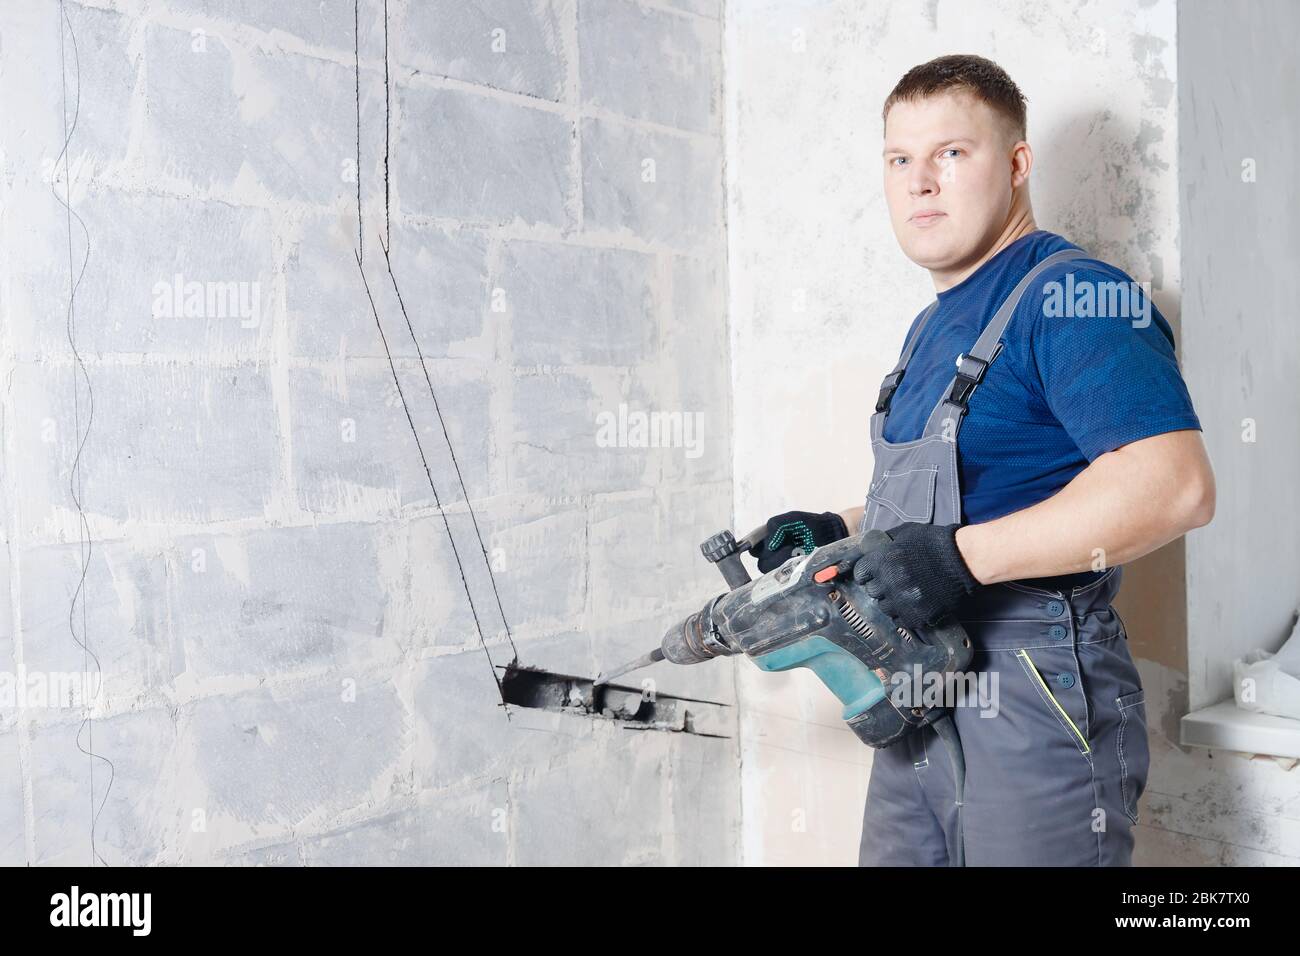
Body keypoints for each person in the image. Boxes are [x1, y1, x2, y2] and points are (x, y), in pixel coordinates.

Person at [753, 54, 1215, 866]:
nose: (919, 182)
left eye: (951, 154)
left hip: (1033, 693)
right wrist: (837, 530)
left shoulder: (1072, 297)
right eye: (900, 159)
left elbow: (1172, 486)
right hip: (914, 684)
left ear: (1016, 164)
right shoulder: (933, 327)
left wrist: (958, 559)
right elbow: (963, 494)